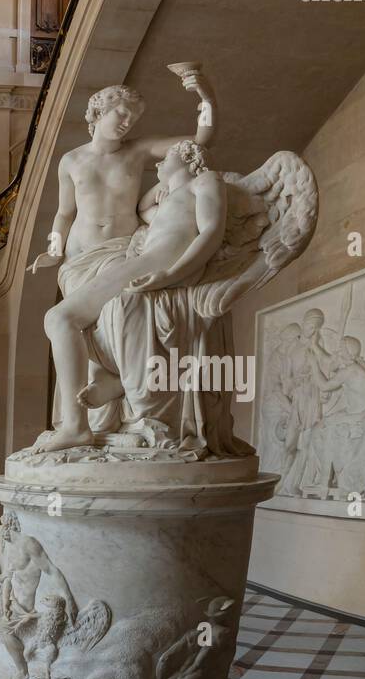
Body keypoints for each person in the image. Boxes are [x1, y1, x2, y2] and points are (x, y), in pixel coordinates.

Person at [35, 137, 227, 451]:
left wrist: (172, 274)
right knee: (71, 321)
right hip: (139, 262)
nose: (158, 164)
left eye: (166, 160)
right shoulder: (169, 201)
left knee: (60, 318)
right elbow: (142, 207)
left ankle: (75, 426)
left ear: (188, 159)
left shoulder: (206, 181)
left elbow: (211, 232)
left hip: (153, 265)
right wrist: (55, 250)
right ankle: (117, 380)